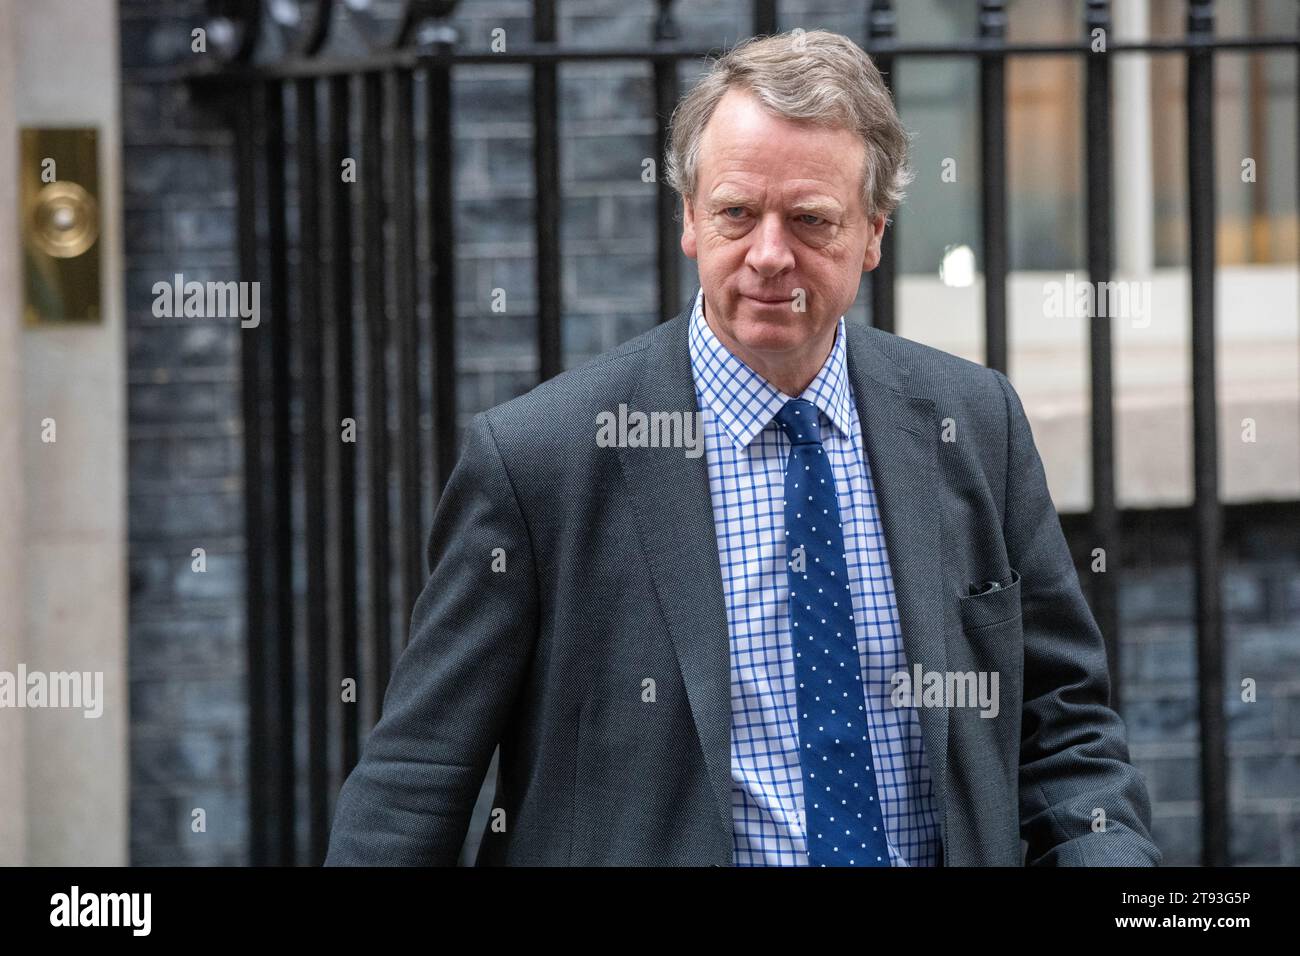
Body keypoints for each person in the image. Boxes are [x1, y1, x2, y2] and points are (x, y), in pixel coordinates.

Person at [325, 28, 1160, 867]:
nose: (768, 255)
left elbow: (1065, 730)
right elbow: (415, 779)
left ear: (873, 231)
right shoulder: (541, 460)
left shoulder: (976, 421)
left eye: (809, 220)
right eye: (735, 212)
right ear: (689, 217)